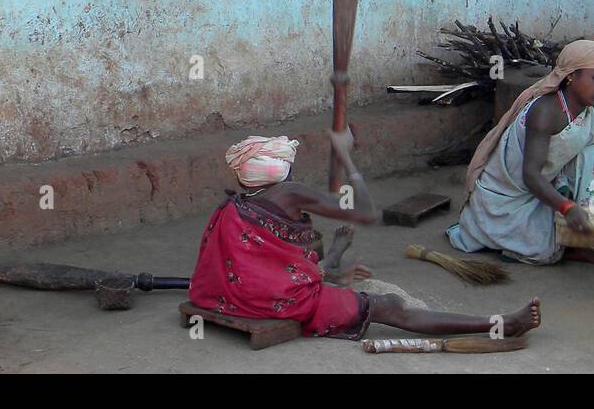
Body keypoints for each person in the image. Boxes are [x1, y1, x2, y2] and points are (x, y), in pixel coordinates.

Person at [189, 131, 541, 340]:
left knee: (311, 250)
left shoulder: (235, 204)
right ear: (283, 170)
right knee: (391, 307)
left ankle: (331, 262)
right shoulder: (290, 193)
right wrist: (348, 158)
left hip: (228, 297)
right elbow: (368, 212)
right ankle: (500, 324)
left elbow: (259, 264)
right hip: (273, 302)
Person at [447, 39, 594, 266]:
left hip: (545, 190)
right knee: (542, 251)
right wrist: (568, 208)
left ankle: (573, 243)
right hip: (508, 200)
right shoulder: (544, 112)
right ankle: (559, 241)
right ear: (570, 76)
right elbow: (531, 175)